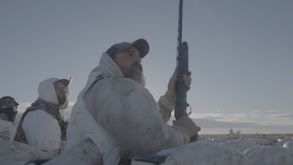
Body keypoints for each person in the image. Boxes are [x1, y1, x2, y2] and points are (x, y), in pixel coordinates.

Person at [66, 38, 200, 164]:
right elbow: (144, 142)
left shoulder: (105, 87)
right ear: (110, 61)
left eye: (139, 58)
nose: (138, 60)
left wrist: (170, 97)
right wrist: (183, 132)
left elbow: (143, 123)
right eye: (130, 54)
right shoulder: (111, 85)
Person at [14, 78, 70, 151]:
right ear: (47, 91)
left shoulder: (55, 113)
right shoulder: (38, 114)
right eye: (57, 87)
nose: (63, 90)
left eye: (63, 88)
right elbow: (50, 149)